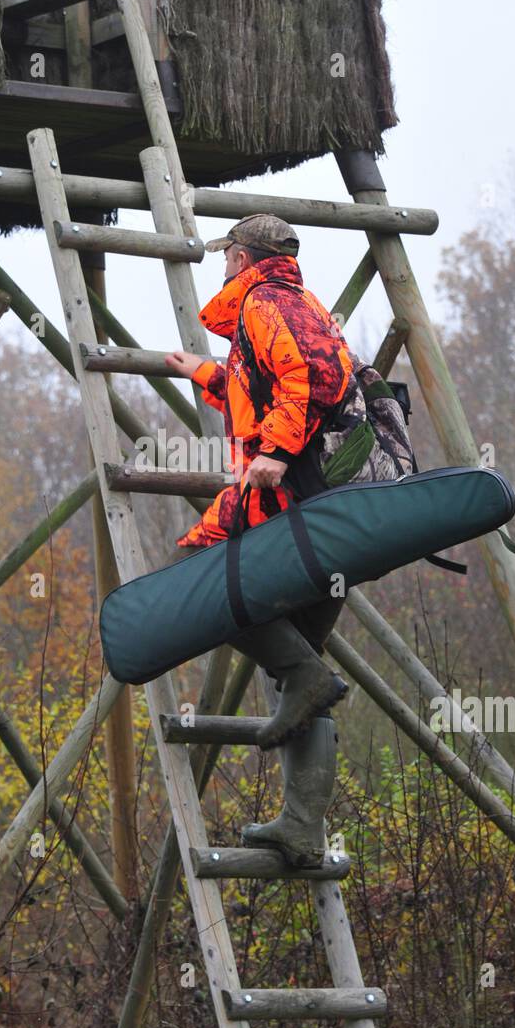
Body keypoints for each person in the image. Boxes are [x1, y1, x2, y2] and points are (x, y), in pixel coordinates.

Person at [164, 214, 352, 865]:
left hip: (286, 493)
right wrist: (205, 373)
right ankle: (302, 827)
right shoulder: (301, 304)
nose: (221, 269)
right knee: (300, 672)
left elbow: (300, 381)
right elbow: (266, 388)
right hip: (331, 503)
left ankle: (304, 676)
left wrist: (274, 451)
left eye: (225, 259)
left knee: (195, 576)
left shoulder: (266, 303)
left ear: (241, 259)